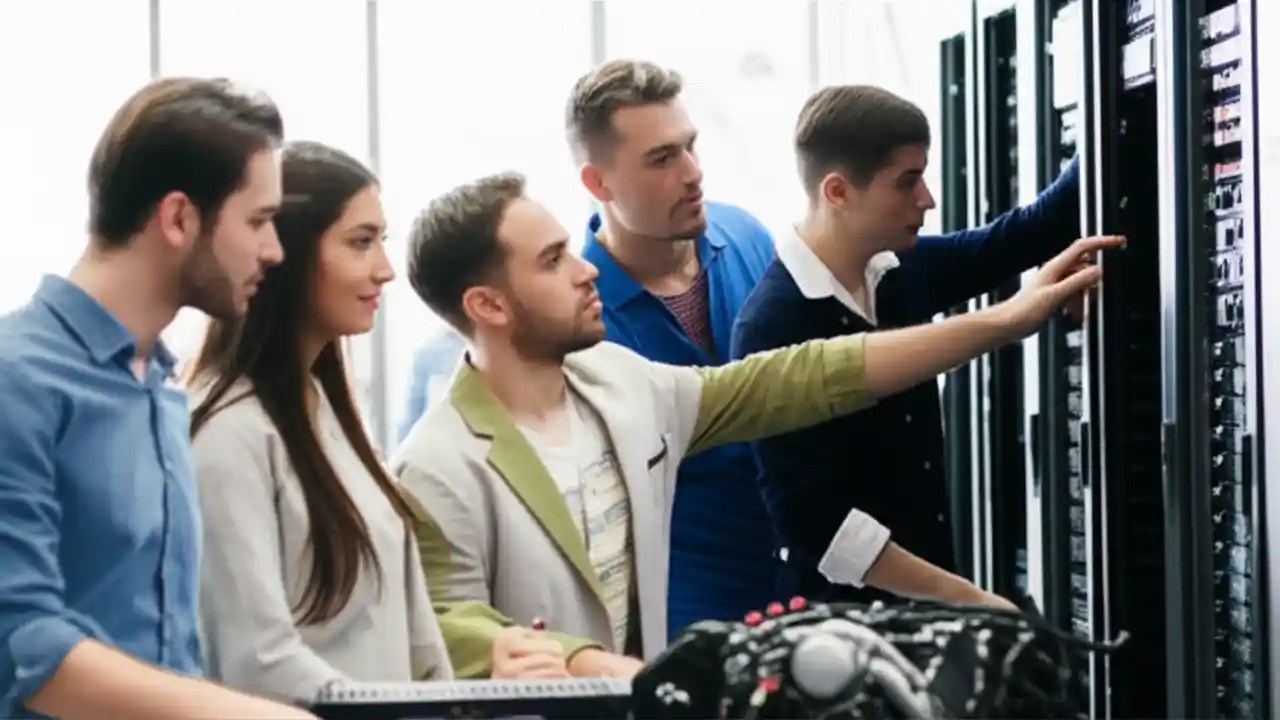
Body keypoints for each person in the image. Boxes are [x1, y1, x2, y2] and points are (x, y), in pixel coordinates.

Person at [390, 171, 1121, 679]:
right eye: (552, 262)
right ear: (488, 305)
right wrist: (598, 669)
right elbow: (448, 630)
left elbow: (795, 379)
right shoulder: (441, 462)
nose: (583, 271)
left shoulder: (616, 382)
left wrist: (1006, 320)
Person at [0, 77, 312, 719]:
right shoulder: (18, 378)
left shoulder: (158, 389)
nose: (274, 249)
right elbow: (22, 647)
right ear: (178, 218)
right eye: (258, 220)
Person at [730, 84, 1083, 606]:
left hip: (927, 614)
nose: (927, 199)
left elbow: (1023, 235)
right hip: (846, 642)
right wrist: (966, 598)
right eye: (907, 181)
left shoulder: (894, 272)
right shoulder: (771, 327)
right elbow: (820, 527)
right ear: (838, 192)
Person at [185, 141, 464, 702]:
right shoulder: (225, 431)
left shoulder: (324, 406)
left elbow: (411, 639)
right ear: (279, 251)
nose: (385, 270)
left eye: (381, 241)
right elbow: (256, 661)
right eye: (361, 242)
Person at [566, 58, 779, 637]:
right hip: (686, 608)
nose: (692, 174)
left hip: (805, 579)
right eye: (662, 159)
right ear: (598, 183)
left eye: (689, 147)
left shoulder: (747, 237)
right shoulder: (576, 320)